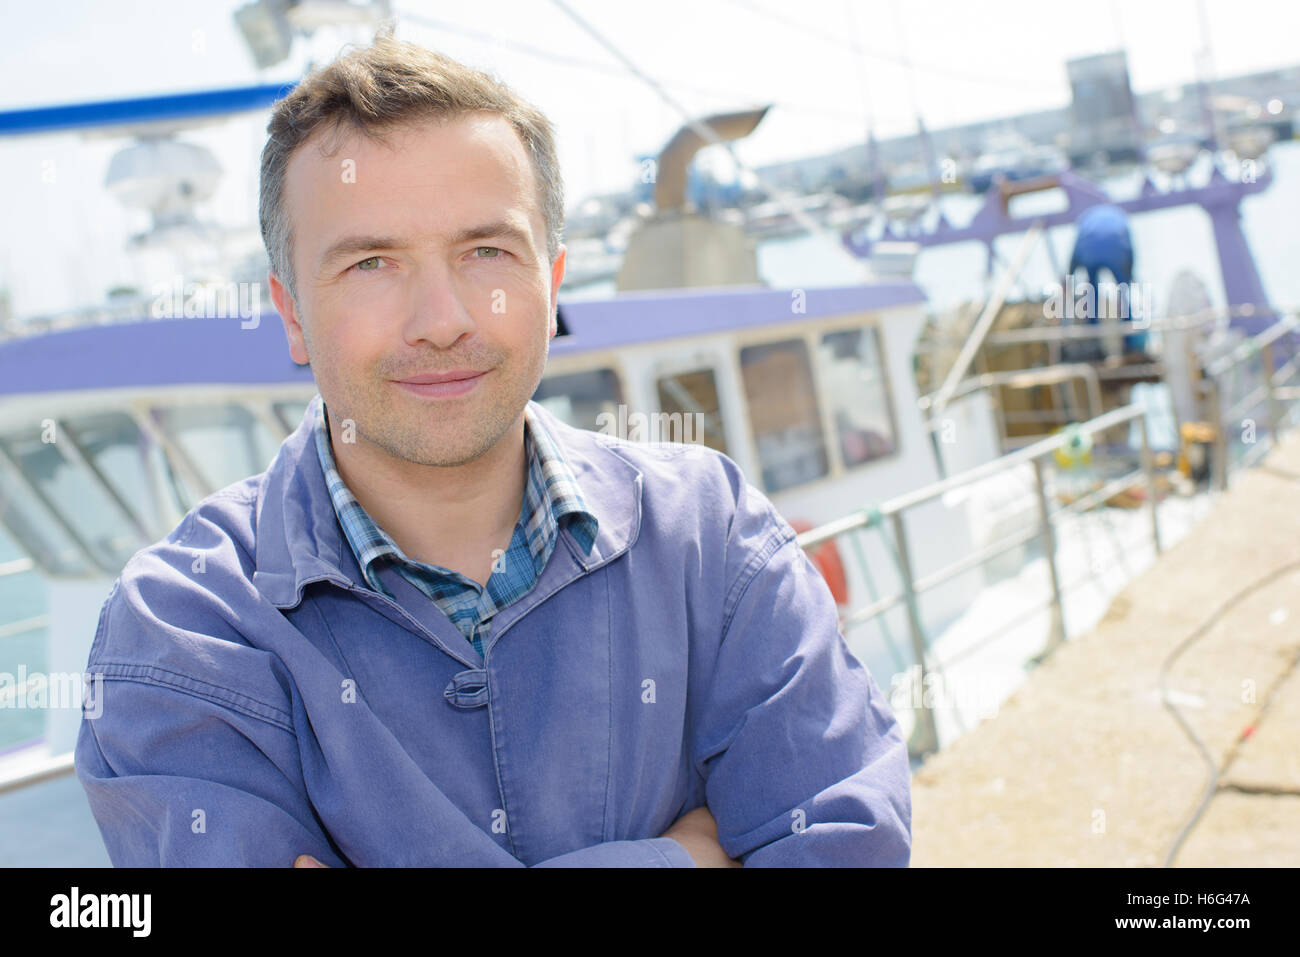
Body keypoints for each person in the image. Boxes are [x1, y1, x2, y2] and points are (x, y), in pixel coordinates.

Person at [74, 30, 911, 867]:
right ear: (291, 313)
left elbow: (850, 843)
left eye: (486, 252)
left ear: (552, 288)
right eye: (371, 263)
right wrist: (689, 855)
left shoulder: (709, 533)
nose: (442, 319)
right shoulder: (183, 626)